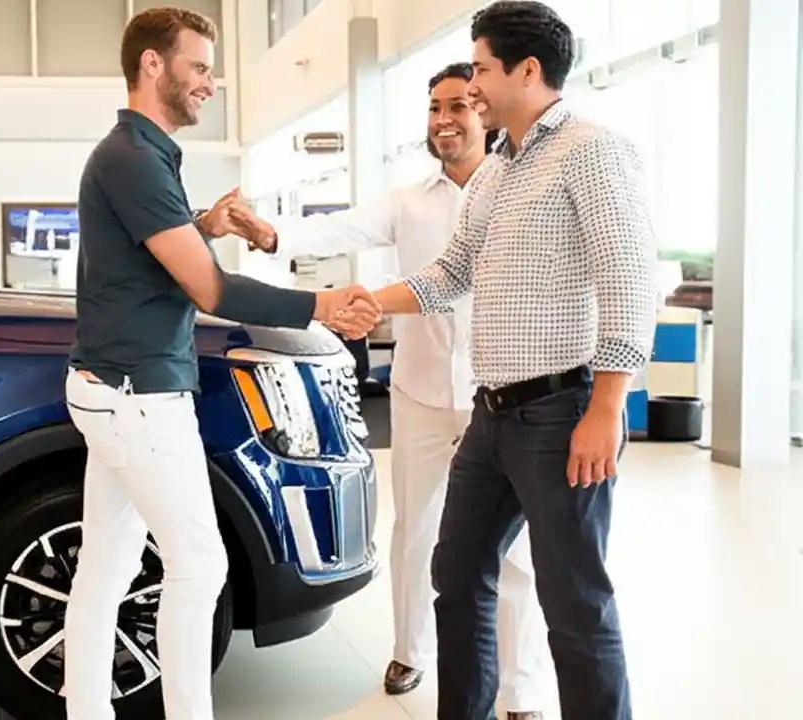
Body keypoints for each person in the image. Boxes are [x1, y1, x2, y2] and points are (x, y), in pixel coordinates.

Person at [61, 7, 380, 720]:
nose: (212, 82)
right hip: (138, 397)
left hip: (111, 390)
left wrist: (206, 223)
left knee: (106, 570)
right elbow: (208, 288)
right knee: (199, 566)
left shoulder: (138, 154)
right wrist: (323, 304)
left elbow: (147, 256)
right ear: (153, 65)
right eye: (200, 66)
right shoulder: (134, 158)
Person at [226, 62, 549, 720]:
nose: (443, 120)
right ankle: (409, 649)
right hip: (423, 393)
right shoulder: (408, 200)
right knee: (415, 530)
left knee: (512, 547)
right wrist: (269, 233)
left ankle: (518, 690)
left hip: (502, 390)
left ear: (483, 111)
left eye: (457, 106)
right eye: (434, 108)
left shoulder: (516, 191)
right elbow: (340, 228)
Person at [365, 3, 656, 719]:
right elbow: (449, 274)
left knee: (573, 600)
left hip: (562, 411)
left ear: (528, 71)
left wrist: (606, 409)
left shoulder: (591, 150)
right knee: (457, 575)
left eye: (484, 70)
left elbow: (629, 279)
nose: (474, 87)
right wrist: (367, 301)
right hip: (492, 414)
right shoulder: (497, 171)